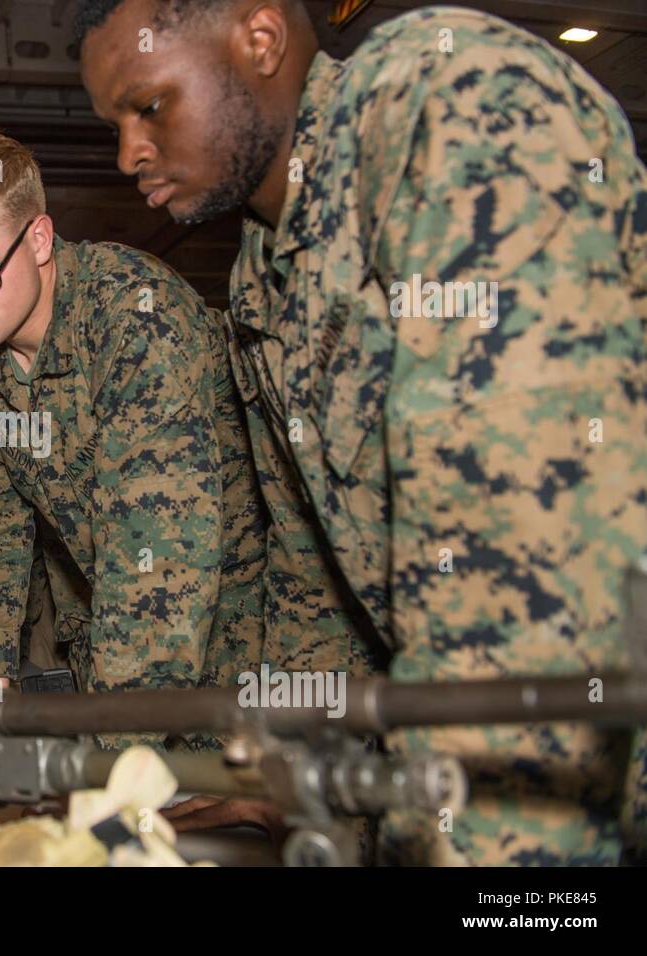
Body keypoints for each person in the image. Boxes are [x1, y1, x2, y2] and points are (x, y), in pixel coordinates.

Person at [77, 0, 647, 864]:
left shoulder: (439, 101)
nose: (129, 155)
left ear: (259, 39)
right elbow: (314, 578)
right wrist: (300, 783)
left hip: (572, 765)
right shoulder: (262, 284)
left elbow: (519, 568)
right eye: (112, 123)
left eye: (147, 105)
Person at [0, 128, 273, 718]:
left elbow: (159, 556)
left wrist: (120, 753)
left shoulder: (135, 318)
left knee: (242, 800)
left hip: (234, 626)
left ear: (38, 238)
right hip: (107, 623)